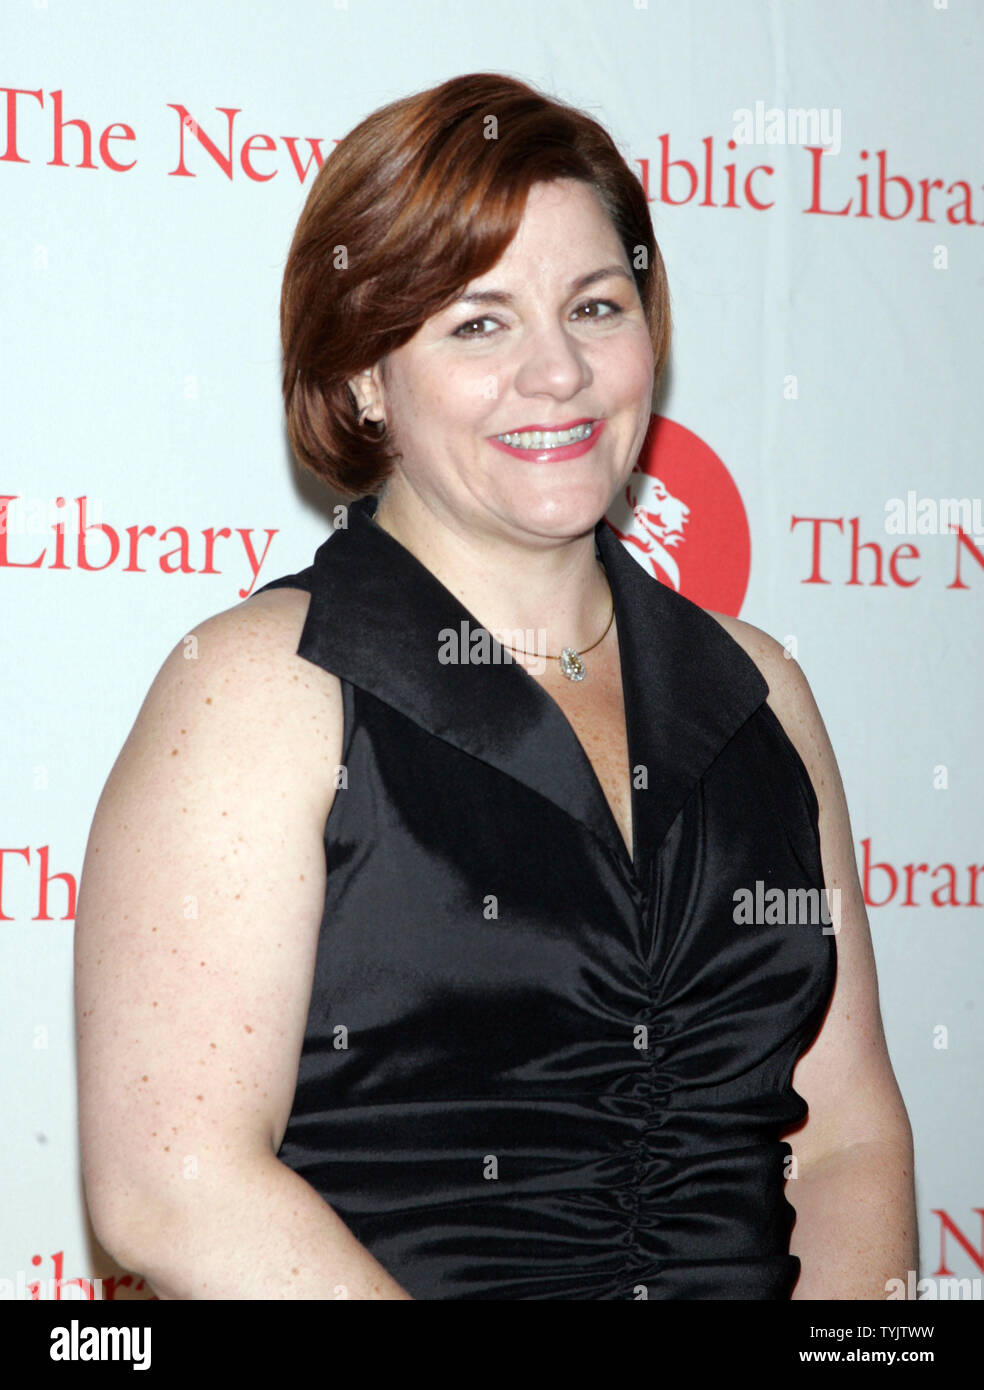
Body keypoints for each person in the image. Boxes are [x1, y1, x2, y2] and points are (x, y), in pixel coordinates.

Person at [75, 72, 916, 1300]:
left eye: (595, 306)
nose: (559, 373)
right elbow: (171, 1182)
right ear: (366, 378)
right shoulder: (265, 691)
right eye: (480, 322)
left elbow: (849, 1140)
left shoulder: (761, 693)